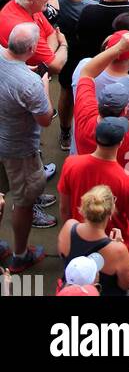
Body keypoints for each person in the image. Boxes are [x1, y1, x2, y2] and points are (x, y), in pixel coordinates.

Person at [0, 22, 54, 272]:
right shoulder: (30, 84)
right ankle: (21, 255)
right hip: (18, 150)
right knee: (22, 202)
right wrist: (44, 88)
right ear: (32, 48)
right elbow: (45, 118)